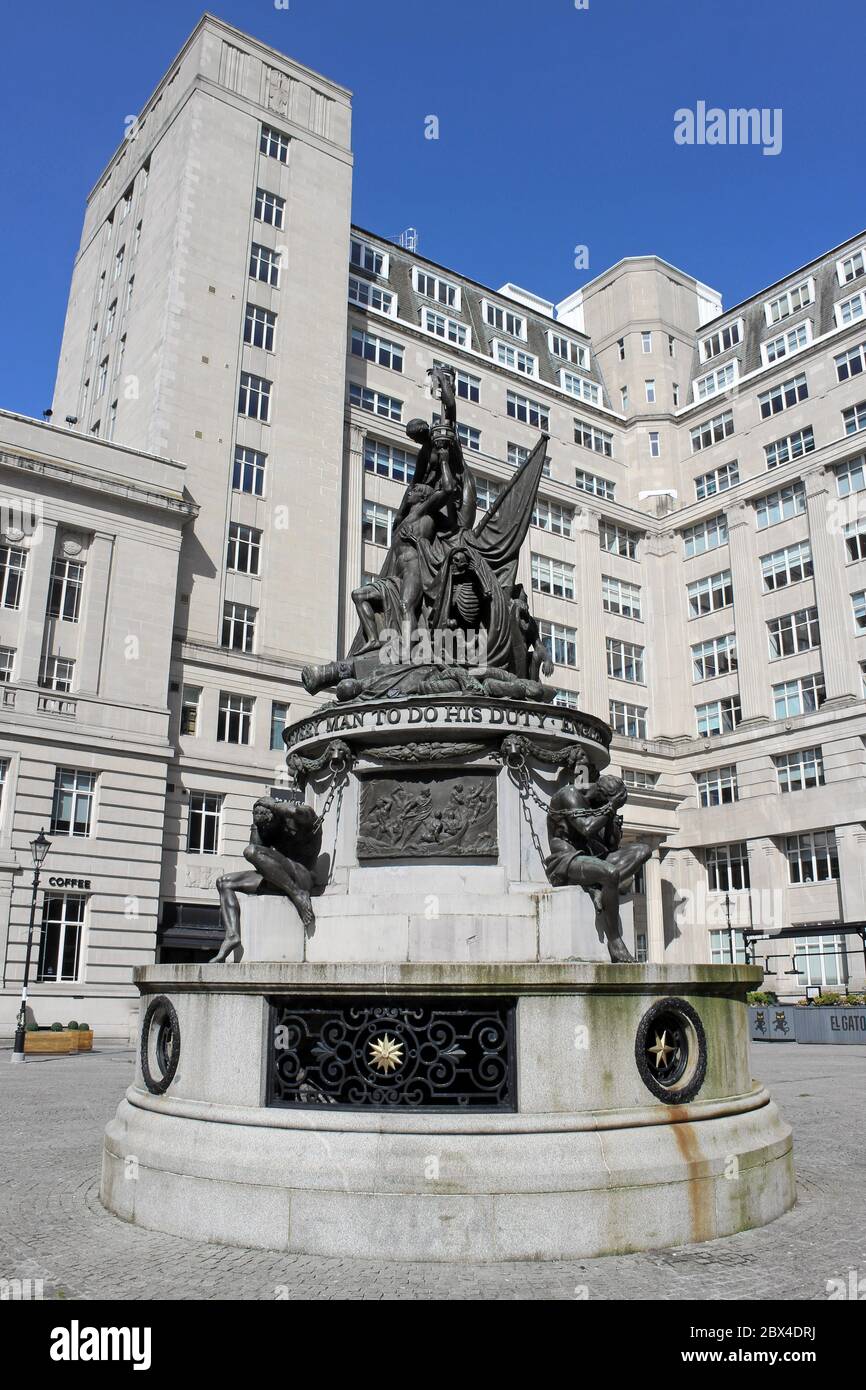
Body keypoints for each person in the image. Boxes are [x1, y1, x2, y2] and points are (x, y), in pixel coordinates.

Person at [545, 772, 652, 963]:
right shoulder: (570, 794)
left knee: (643, 850)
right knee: (611, 873)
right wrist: (610, 809)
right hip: (567, 859)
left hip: (593, 857)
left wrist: (613, 824)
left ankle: (600, 887)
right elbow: (586, 828)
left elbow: (610, 844)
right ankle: (615, 942)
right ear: (601, 794)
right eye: (609, 803)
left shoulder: (601, 805)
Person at [211, 798, 322, 962]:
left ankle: (298, 894)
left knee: (251, 851)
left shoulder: (301, 816)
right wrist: (257, 826)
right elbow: (256, 856)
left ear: (275, 814)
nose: (266, 828)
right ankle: (232, 936)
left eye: (267, 823)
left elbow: (297, 812)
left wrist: (272, 805)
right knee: (224, 882)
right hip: (281, 877)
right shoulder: (265, 826)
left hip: (302, 875)